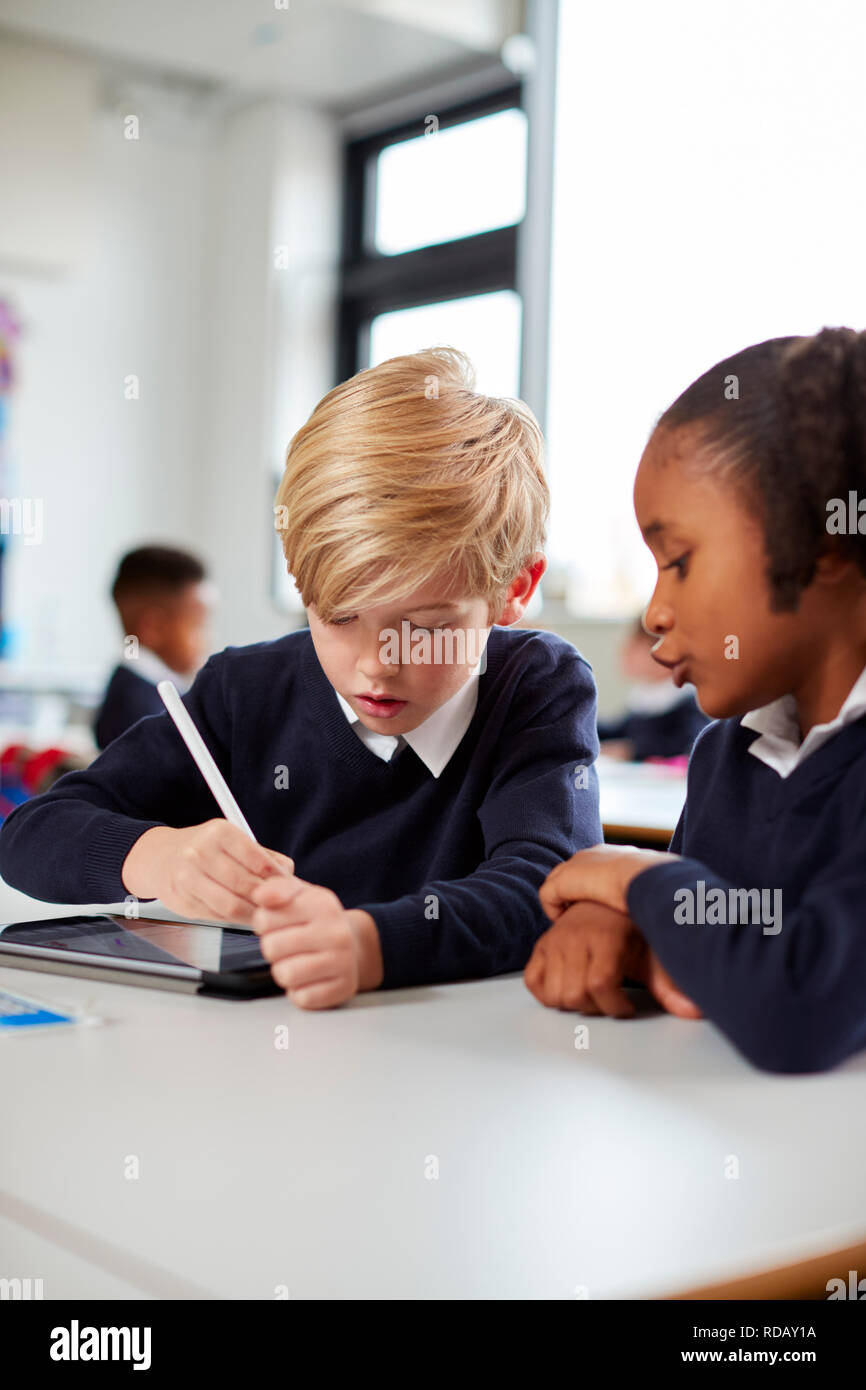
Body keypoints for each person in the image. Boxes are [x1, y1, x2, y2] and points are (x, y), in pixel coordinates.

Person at [0, 348, 601, 1008]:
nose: (376, 663)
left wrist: (370, 945)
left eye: (426, 626)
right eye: (339, 616)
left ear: (515, 588)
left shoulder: (535, 687)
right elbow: (34, 833)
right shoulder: (244, 692)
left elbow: (546, 886)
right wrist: (160, 856)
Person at [526, 327, 866, 1073]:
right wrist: (615, 920)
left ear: (828, 542)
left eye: (678, 561)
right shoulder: (727, 754)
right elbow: (705, 920)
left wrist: (632, 878)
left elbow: (798, 1005)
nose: (654, 612)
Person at [93, 545, 214, 749]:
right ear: (154, 628)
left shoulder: (143, 691)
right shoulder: (143, 711)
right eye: (197, 626)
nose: (207, 640)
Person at [597, 615, 709, 761]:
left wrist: (634, 751)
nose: (625, 654)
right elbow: (620, 730)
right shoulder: (644, 696)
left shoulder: (686, 699)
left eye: (635, 648)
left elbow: (688, 742)